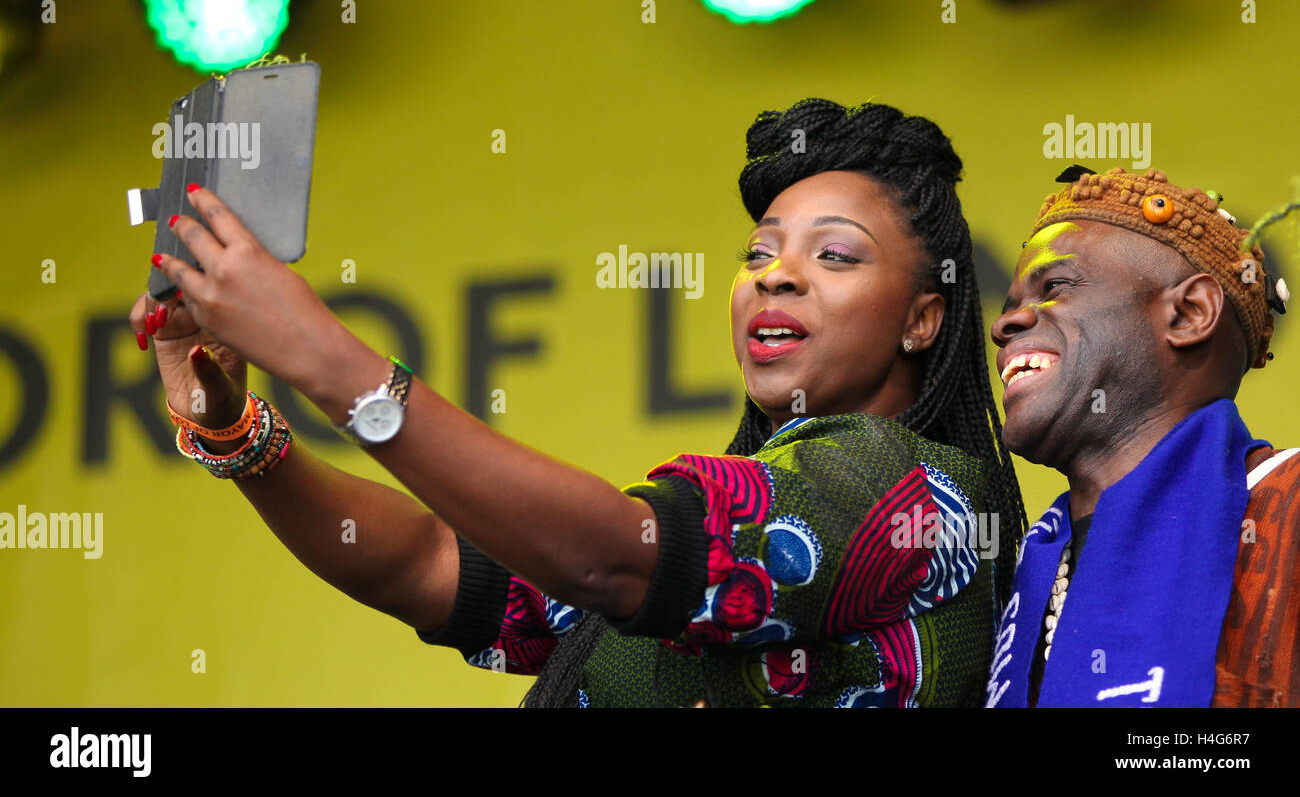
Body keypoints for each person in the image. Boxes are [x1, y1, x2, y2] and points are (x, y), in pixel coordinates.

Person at [132, 98, 1026, 707]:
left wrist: (323, 356)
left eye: (835, 255)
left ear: (923, 318)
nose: (776, 275)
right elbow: (428, 567)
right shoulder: (727, 532)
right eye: (759, 254)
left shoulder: (914, 497)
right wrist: (237, 433)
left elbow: (613, 562)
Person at [985, 165, 1300, 708]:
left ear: (1189, 312)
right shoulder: (1022, 572)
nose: (1004, 323)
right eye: (1011, 303)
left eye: (1054, 286)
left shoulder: (1287, 505)